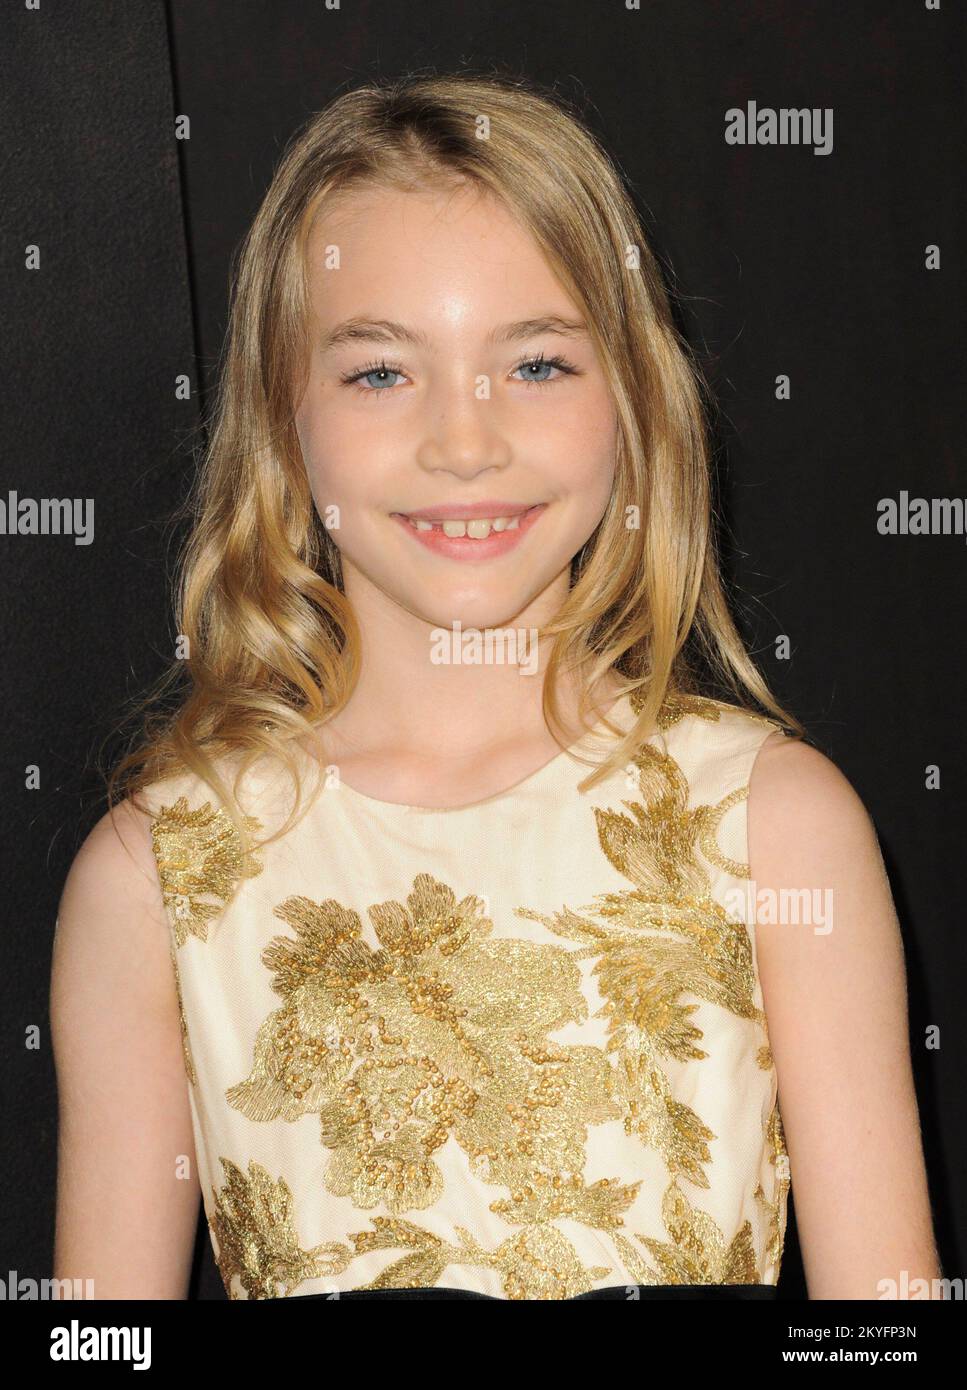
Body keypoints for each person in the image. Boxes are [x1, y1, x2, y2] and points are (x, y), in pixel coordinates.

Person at [50, 71, 942, 1301]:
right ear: (280, 416)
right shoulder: (157, 876)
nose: (462, 443)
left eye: (534, 365)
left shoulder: (778, 828)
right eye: (378, 373)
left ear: (631, 397)